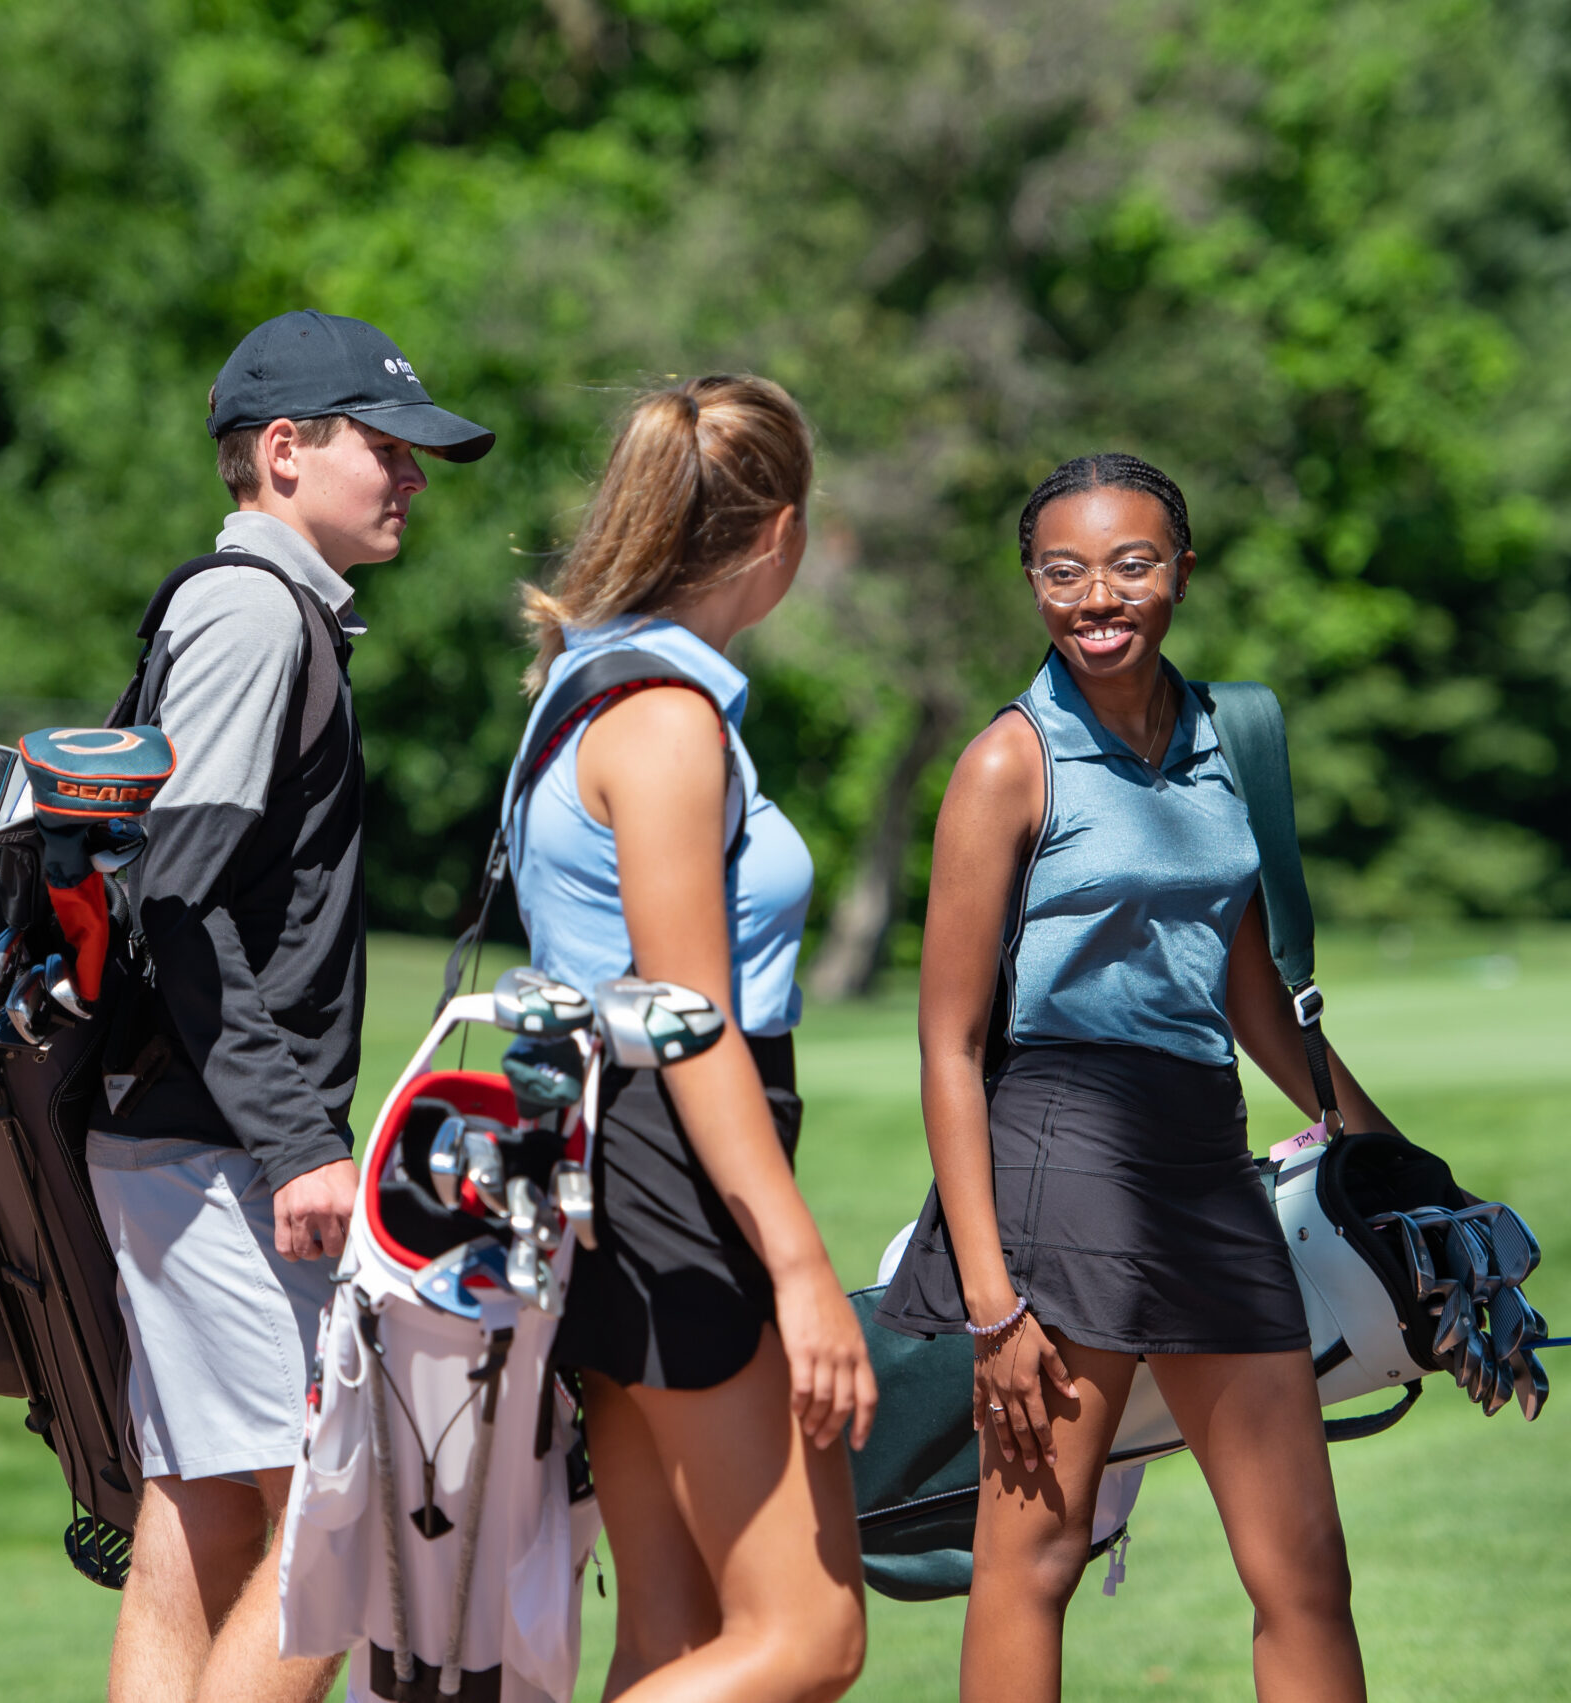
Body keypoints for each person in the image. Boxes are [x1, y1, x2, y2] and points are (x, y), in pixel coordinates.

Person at [876, 453, 1401, 1702]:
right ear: (1031, 582)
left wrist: (1375, 1147)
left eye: (1129, 564)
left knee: (1302, 1567)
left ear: (1181, 571)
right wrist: (992, 1304)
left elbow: (1244, 988)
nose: (1094, 596)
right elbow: (948, 1043)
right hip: (1058, 1149)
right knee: (1035, 1556)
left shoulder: (1227, 741)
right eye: (1061, 571)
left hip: (1201, 1158)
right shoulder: (1010, 760)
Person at [89, 309, 495, 1703]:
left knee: (200, 1513)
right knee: (346, 1533)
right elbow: (174, 896)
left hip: (174, 1130)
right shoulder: (257, 613)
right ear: (282, 452)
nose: (411, 479)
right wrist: (292, 1138)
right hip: (217, 1145)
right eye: (385, 449)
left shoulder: (255, 608)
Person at [506, 374, 874, 1703]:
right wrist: (802, 1264)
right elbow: (689, 1021)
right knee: (807, 1635)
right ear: (777, 533)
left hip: (607, 1167)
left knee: (672, 1632)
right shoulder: (666, 722)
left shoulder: (588, 685)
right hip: (671, 1177)